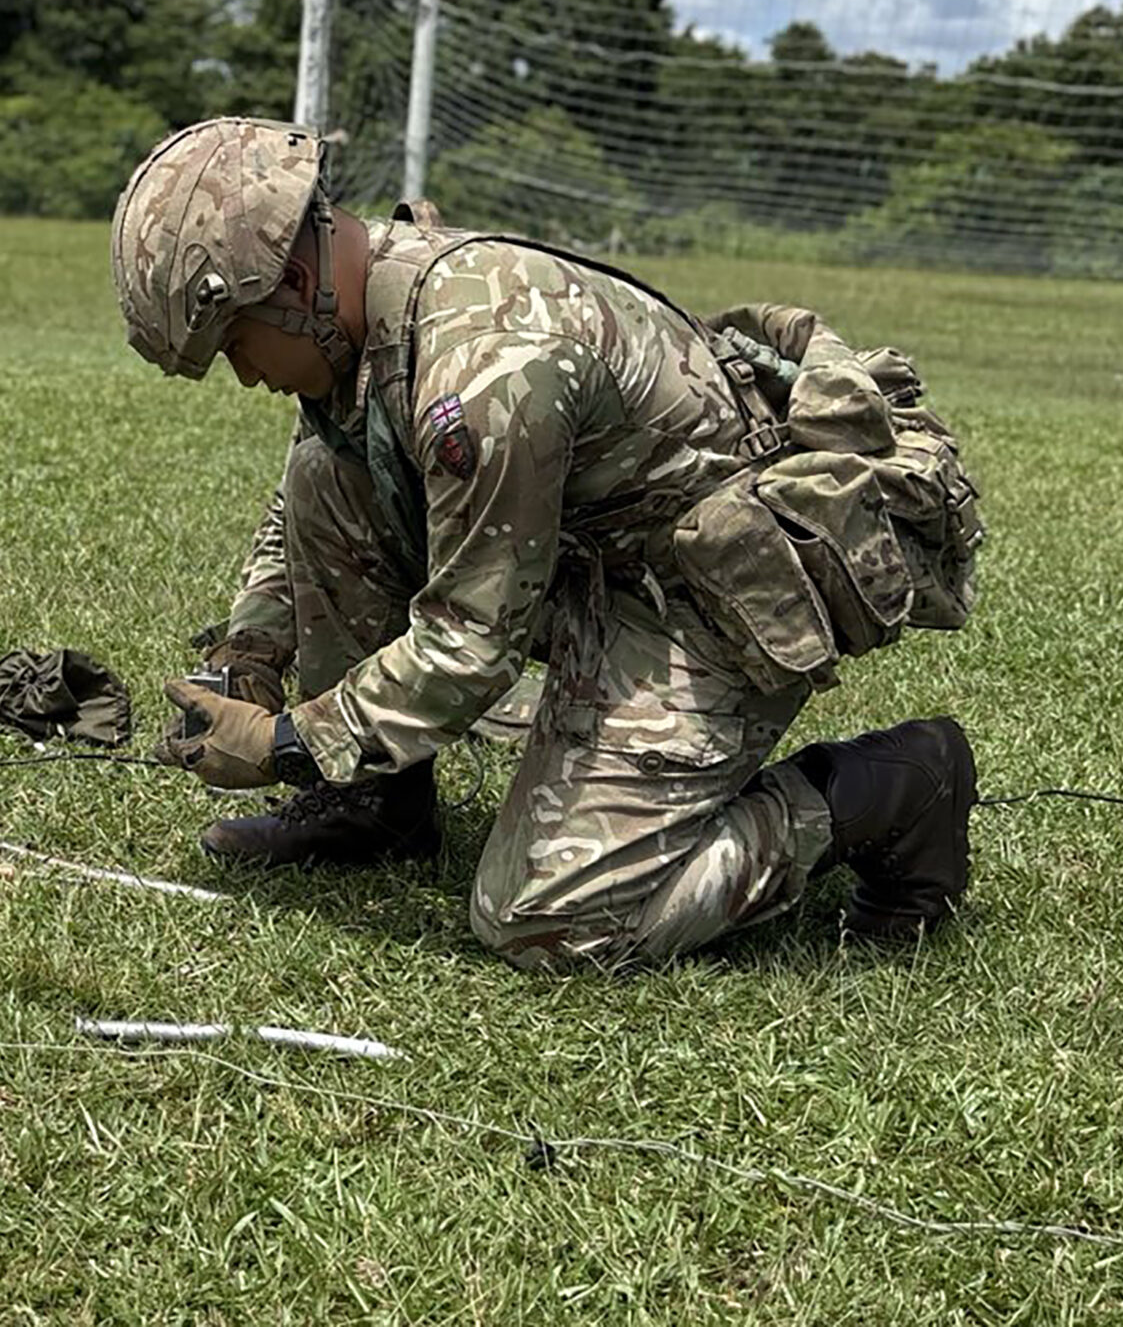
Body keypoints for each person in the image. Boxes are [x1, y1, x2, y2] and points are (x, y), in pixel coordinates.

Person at [111, 115, 981, 972]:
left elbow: (469, 647)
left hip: (699, 597)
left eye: (235, 346)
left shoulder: (484, 372)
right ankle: (371, 804)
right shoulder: (369, 311)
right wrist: (250, 654)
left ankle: (892, 788)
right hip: (585, 551)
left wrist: (287, 744)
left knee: (546, 921)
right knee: (325, 473)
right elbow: (314, 491)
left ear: (293, 281)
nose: (248, 374)